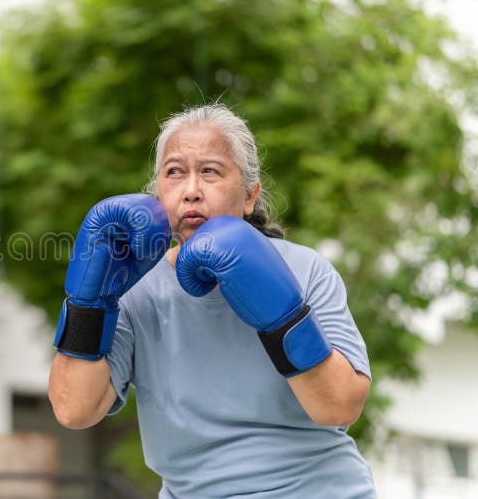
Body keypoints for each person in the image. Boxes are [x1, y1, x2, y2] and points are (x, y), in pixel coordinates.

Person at [48, 103, 376, 498]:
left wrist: (280, 313)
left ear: (250, 195)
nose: (191, 191)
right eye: (174, 172)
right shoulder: (135, 289)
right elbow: (74, 409)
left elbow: (341, 407)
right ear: (157, 194)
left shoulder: (305, 270)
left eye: (210, 171)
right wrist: (91, 301)